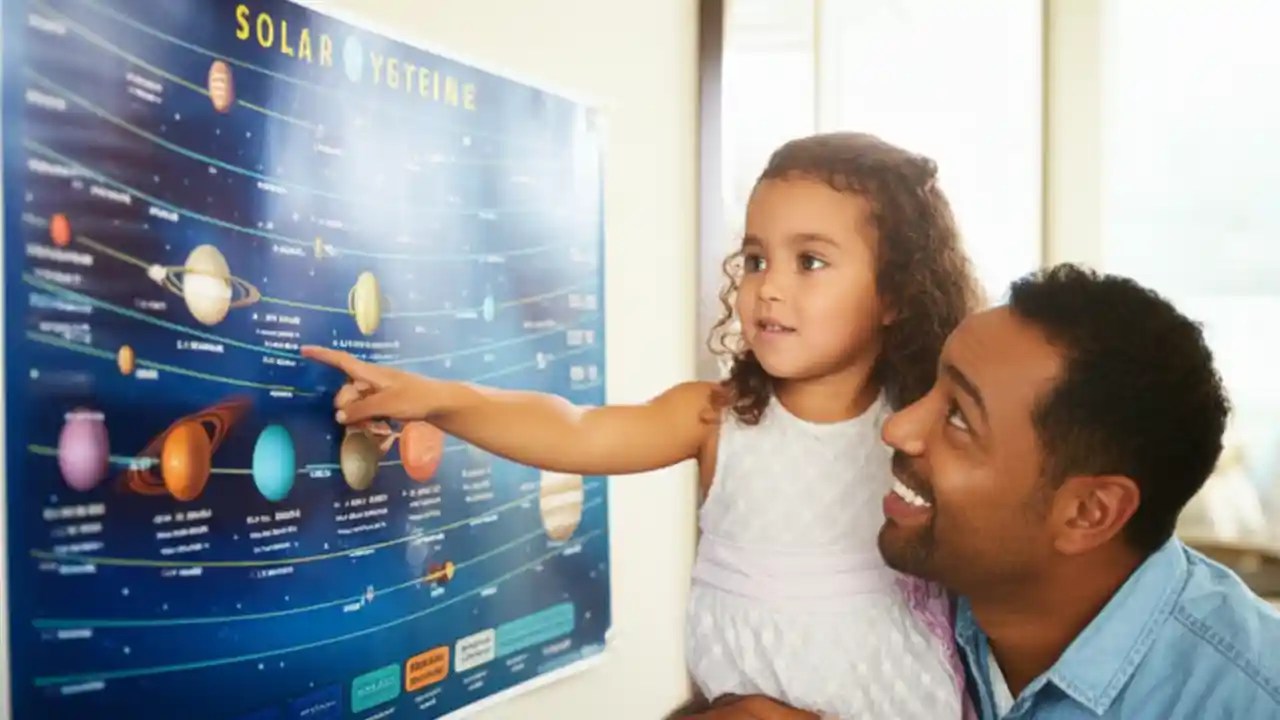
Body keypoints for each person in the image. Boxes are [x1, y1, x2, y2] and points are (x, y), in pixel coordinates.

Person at [301, 132, 983, 718]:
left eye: (810, 261)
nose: (768, 287)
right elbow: (574, 431)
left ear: (895, 294)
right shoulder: (719, 417)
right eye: (754, 260)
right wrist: (435, 399)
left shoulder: (919, 429)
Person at [700, 264, 1280, 719]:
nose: (896, 428)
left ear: (1087, 513)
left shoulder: (1247, 698)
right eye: (932, 386)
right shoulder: (891, 589)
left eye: (958, 419)